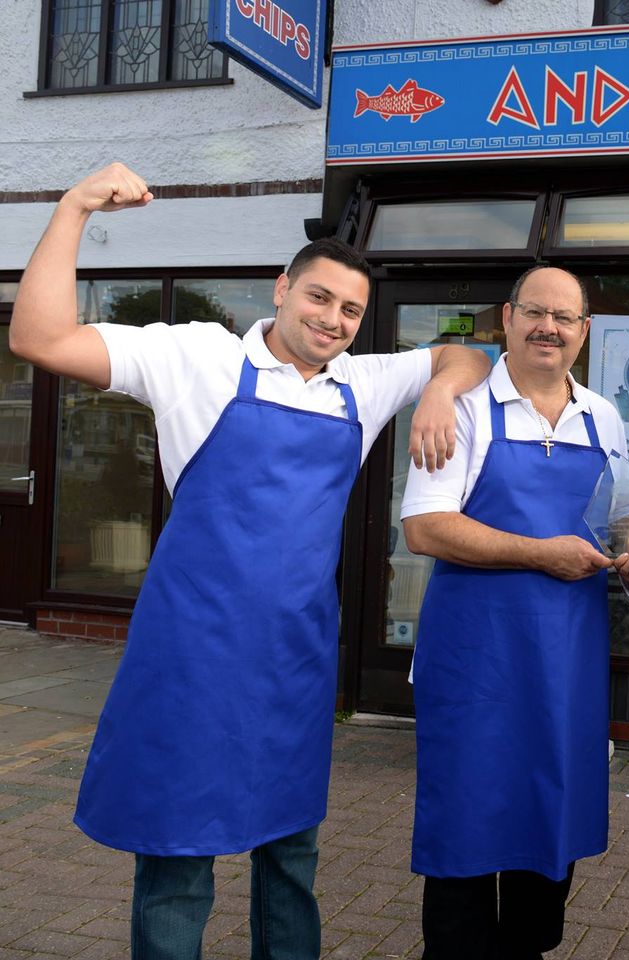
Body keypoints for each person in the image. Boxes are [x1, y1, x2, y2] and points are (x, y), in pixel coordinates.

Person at [11, 163, 491, 960]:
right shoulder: (194, 358)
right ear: (280, 288)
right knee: (176, 860)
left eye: (350, 310)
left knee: (290, 857)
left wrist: (439, 389)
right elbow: (40, 336)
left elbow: (465, 354)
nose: (333, 320)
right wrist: (73, 207)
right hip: (191, 655)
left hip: (294, 661)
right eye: (318, 298)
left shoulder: (362, 385)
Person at [401, 266, 629, 960]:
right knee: (465, 825)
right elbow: (426, 526)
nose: (549, 328)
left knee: (547, 819)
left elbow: (620, 519)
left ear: (583, 332)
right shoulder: (463, 406)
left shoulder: (603, 416)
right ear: (506, 318)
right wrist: (541, 553)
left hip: (565, 664)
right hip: (476, 662)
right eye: (535, 312)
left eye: (564, 318)